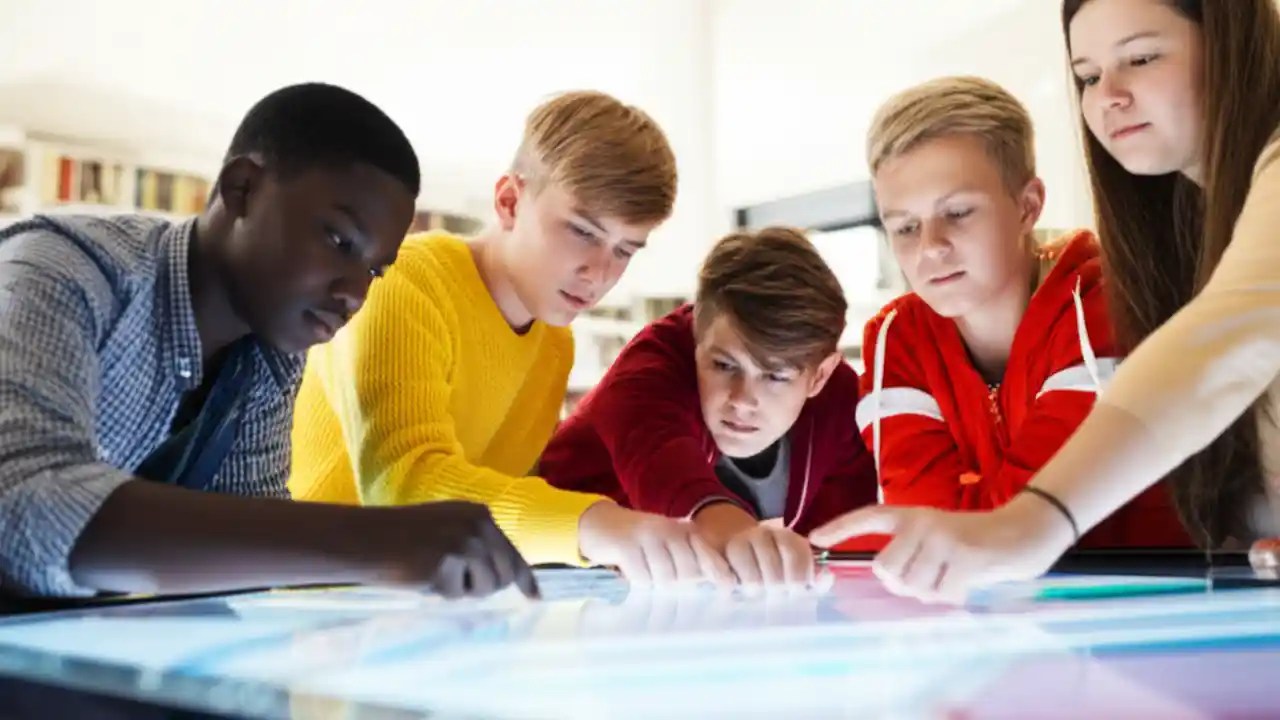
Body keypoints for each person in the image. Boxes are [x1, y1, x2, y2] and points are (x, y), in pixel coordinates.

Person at [811, 0, 1280, 602]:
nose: (1108, 96)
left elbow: (1226, 345)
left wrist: (1032, 518)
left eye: (1141, 57)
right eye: (1087, 76)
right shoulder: (1176, 227)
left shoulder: (1100, 293)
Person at [0, 82, 535, 601]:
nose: (353, 293)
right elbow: (23, 511)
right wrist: (380, 540)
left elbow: (241, 568)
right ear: (243, 189)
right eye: (339, 240)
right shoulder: (62, 268)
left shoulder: (269, 360)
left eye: (374, 271)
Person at [289, 90, 734, 587]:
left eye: (625, 249)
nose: (599, 273)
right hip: (309, 604)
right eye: (583, 232)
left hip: (421, 608)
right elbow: (404, 484)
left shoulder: (554, 342)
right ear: (509, 201)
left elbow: (507, 498)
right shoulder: (407, 282)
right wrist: (596, 525)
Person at [855, 75, 1185, 546]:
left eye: (958, 213)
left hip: (1145, 602)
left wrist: (973, 512)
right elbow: (926, 533)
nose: (930, 249)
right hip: (992, 611)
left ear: (1028, 206)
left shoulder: (1104, 304)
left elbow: (1046, 529)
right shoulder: (895, 341)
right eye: (905, 227)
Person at [541, 227, 878, 587]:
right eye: (724, 366)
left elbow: (842, 549)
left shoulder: (839, 401)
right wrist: (729, 531)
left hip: (674, 595)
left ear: (819, 376)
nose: (742, 400)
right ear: (697, 335)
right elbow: (661, 459)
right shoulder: (647, 373)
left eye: (775, 377)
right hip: (550, 576)